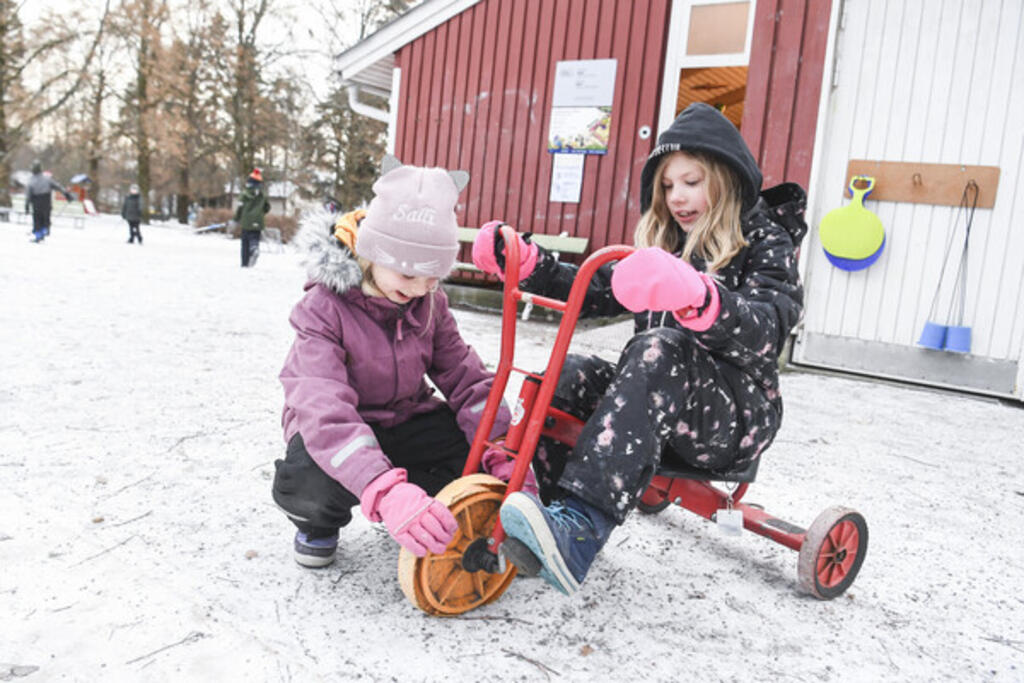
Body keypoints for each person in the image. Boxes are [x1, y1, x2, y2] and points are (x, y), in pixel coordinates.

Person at [471, 102, 808, 596]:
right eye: (668, 186)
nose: (677, 197)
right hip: (656, 408)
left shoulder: (764, 240)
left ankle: (580, 529)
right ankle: (534, 505)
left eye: (691, 182)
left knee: (660, 348)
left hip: (735, 417)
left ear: (727, 177)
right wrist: (531, 265)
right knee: (574, 371)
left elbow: (769, 324)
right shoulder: (669, 242)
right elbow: (592, 289)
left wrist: (702, 298)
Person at [272, 156, 535, 568]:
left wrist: (500, 450)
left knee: (469, 451)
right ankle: (318, 522)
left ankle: (430, 505)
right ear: (371, 252)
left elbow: (467, 380)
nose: (419, 289)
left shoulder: (428, 303)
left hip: (406, 421)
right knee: (308, 481)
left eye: (432, 276)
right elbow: (324, 409)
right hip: (340, 430)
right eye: (408, 274)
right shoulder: (322, 309)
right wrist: (383, 489)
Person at [25, 161, 73, 242]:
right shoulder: (47, 179)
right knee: (46, 217)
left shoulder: (31, 181)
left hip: (36, 201)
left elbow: (28, 195)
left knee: (37, 219)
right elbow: (58, 186)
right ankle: (45, 230)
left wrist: (26, 206)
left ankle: (38, 235)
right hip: (46, 201)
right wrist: (66, 194)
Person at [234, 167, 270, 267]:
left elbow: (240, 208)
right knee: (254, 238)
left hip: (246, 221)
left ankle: (244, 263)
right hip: (258, 221)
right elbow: (267, 207)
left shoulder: (244, 194)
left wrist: (236, 219)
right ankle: (254, 248)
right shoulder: (263, 195)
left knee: (245, 243)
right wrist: (260, 213)